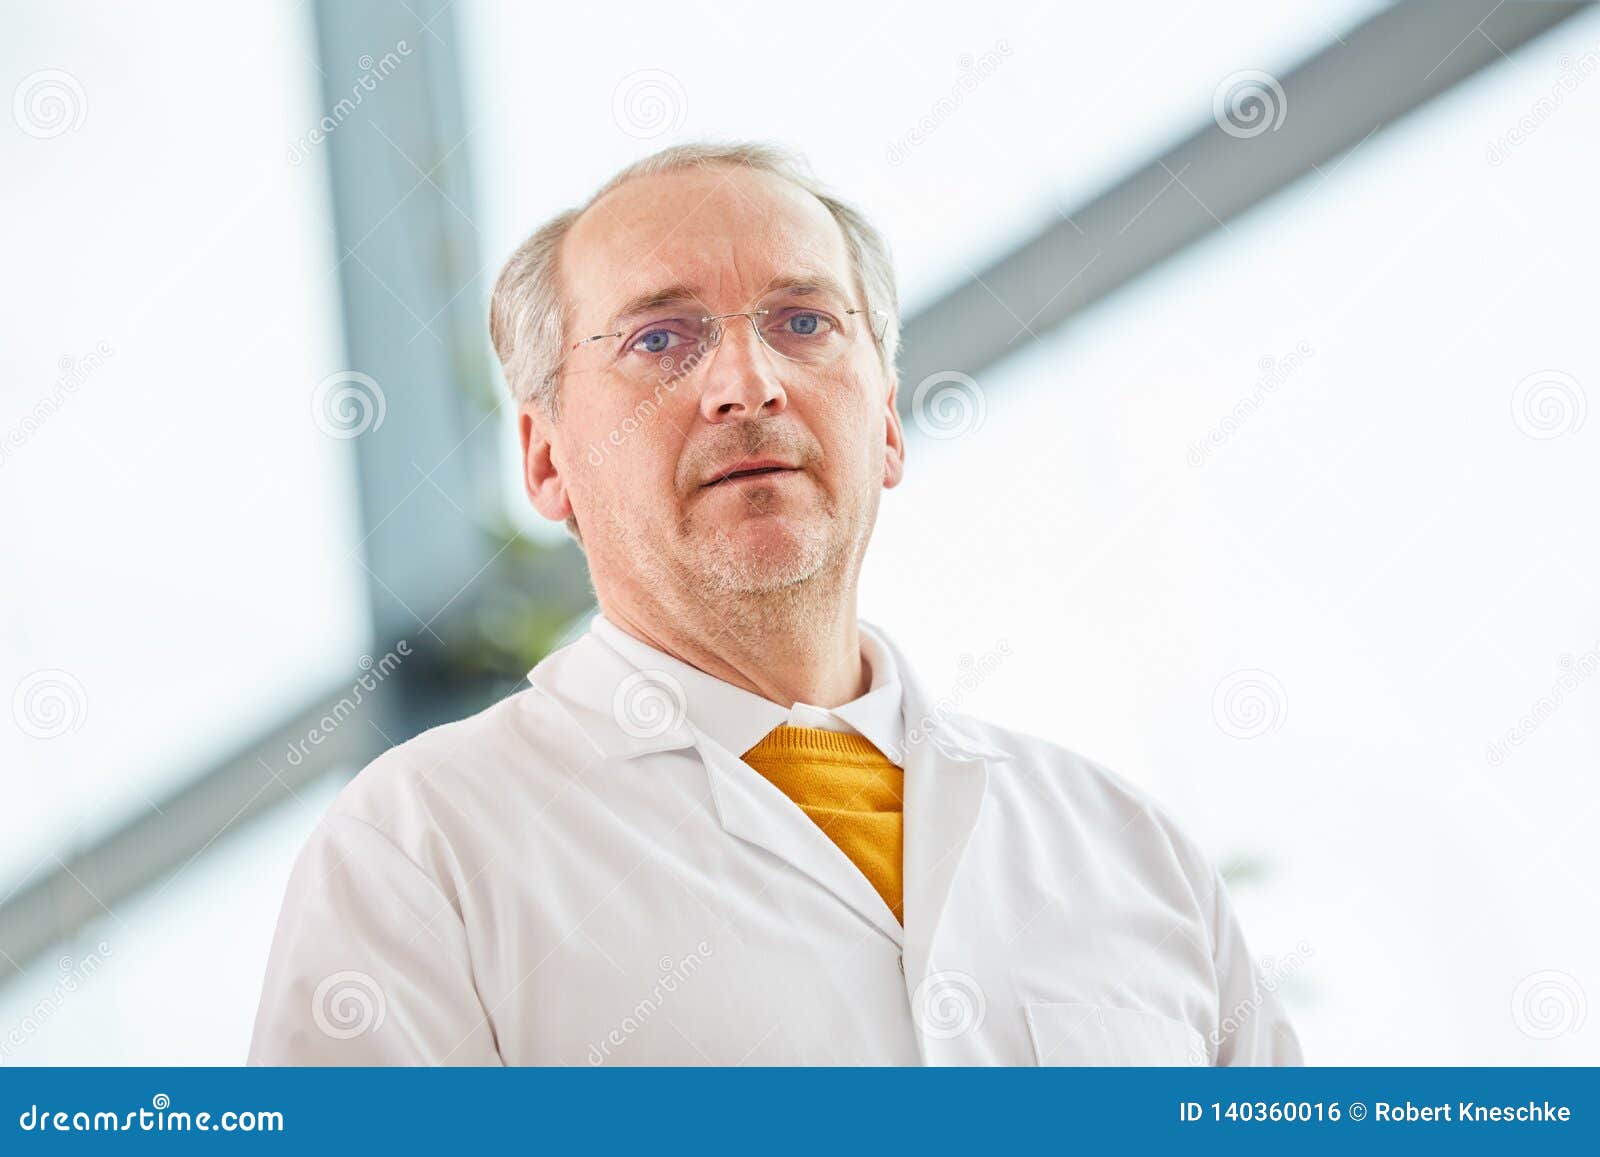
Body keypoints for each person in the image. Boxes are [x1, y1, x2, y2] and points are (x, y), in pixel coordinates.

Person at [247, 141, 1302, 1066]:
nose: (746, 384)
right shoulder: (424, 850)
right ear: (545, 457)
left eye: (802, 321)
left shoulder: (1126, 850)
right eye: (659, 338)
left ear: (885, 420)